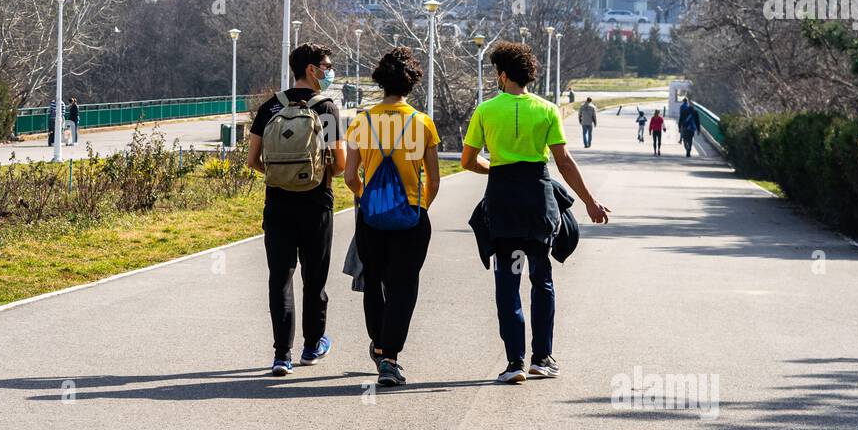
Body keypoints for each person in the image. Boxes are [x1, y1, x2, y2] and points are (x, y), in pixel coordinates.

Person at [461, 41, 610, 384]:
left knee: (508, 282)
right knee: (541, 279)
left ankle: (515, 363)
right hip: (537, 203)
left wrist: (496, 168)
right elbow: (564, 161)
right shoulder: (546, 110)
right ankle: (542, 358)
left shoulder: (486, 111)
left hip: (502, 202)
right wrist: (588, 200)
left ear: (502, 74)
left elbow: (468, 161)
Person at [343, 47, 440, 388]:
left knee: (373, 282)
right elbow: (434, 178)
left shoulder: (361, 122)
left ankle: (379, 343)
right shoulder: (422, 122)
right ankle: (390, 358)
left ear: (380, 81)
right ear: (411, 83)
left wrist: (365, 197)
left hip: (371, 218)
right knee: (403, 287)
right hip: (411, 218)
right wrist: (420, 207)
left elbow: (350, 176)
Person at [247, 43, 346, 376]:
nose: (330, 71)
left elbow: (253, 161)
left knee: (281, 278)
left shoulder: (270, 107)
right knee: (314, 279)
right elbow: (341, 164)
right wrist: (314, 174)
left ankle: (281, 356)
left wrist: (281, 176)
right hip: (317, 203)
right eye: (327, 66)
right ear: (312, 69)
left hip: (278, 204)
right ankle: (312, 346)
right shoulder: (328, 109)